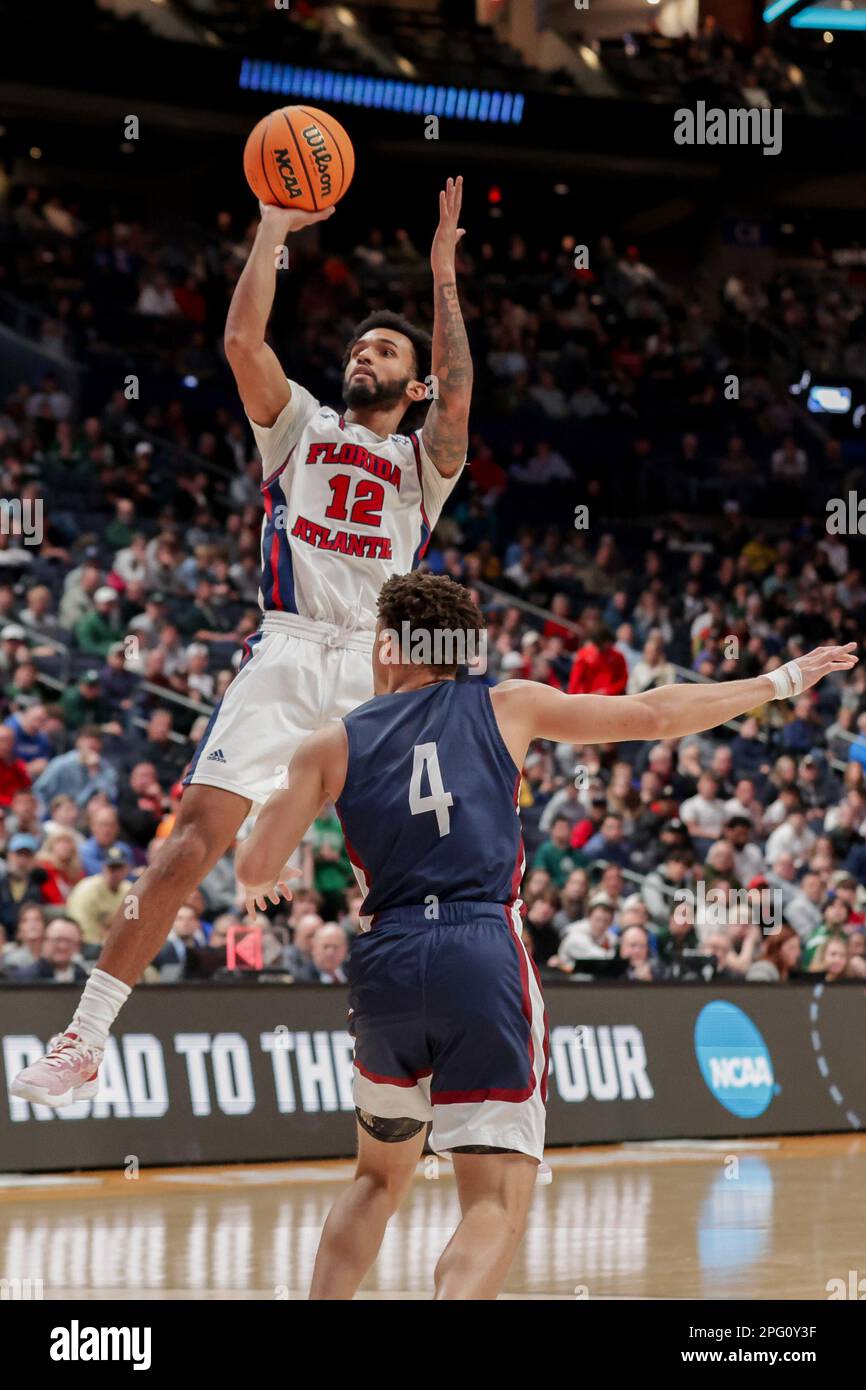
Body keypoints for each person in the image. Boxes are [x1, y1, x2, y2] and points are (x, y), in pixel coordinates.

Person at [219, 575, 854, 1300]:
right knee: (493, 1201)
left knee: (375, 1177)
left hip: (388, 962)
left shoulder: (330, 743)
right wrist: (781, 678)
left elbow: (256, 867)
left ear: (390, 644)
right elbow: (654, 713)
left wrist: (262, 868)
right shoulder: (507, 705)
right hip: (480, 946)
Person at [8, 178, 472, 1074]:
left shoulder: (422, 464)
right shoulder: (299, 425)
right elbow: (240, 339)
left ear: (410, 381)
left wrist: (442, 275)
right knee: (190, 840)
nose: (364, 356)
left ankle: (443, 1047)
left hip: (380, 671)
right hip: (290, 649)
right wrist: (270, 229)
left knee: (420, 870)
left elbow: (455, 398)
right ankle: (85, 1038)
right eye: (359, 346)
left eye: (383, 350)